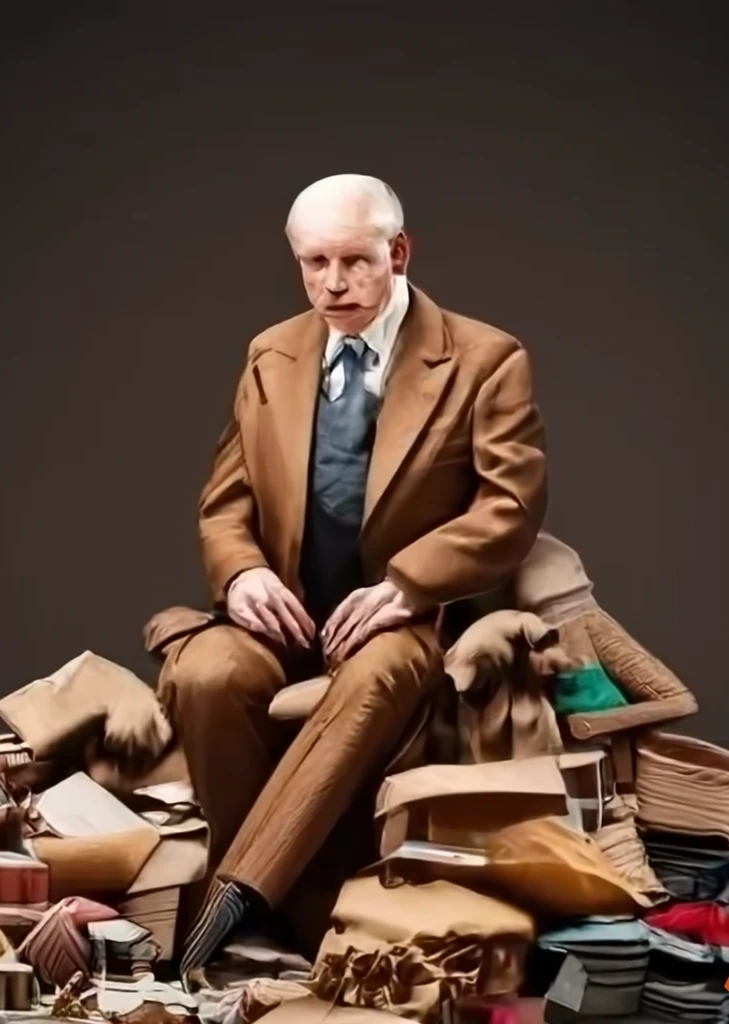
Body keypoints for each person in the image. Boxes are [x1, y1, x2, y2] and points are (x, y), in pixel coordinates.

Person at [158, 174, 549, 972]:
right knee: (202, 672)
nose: (332, 284)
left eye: (354, 261)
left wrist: (407, 584)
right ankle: (303, 912)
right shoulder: (271, 352)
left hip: (403, 622)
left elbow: (511, 507)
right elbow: (224, 503)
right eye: (313, 263)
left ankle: (234, 906)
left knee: (370, 680)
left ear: (398, 253)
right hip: (285, 618)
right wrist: (239, 576)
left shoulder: (485, 358)